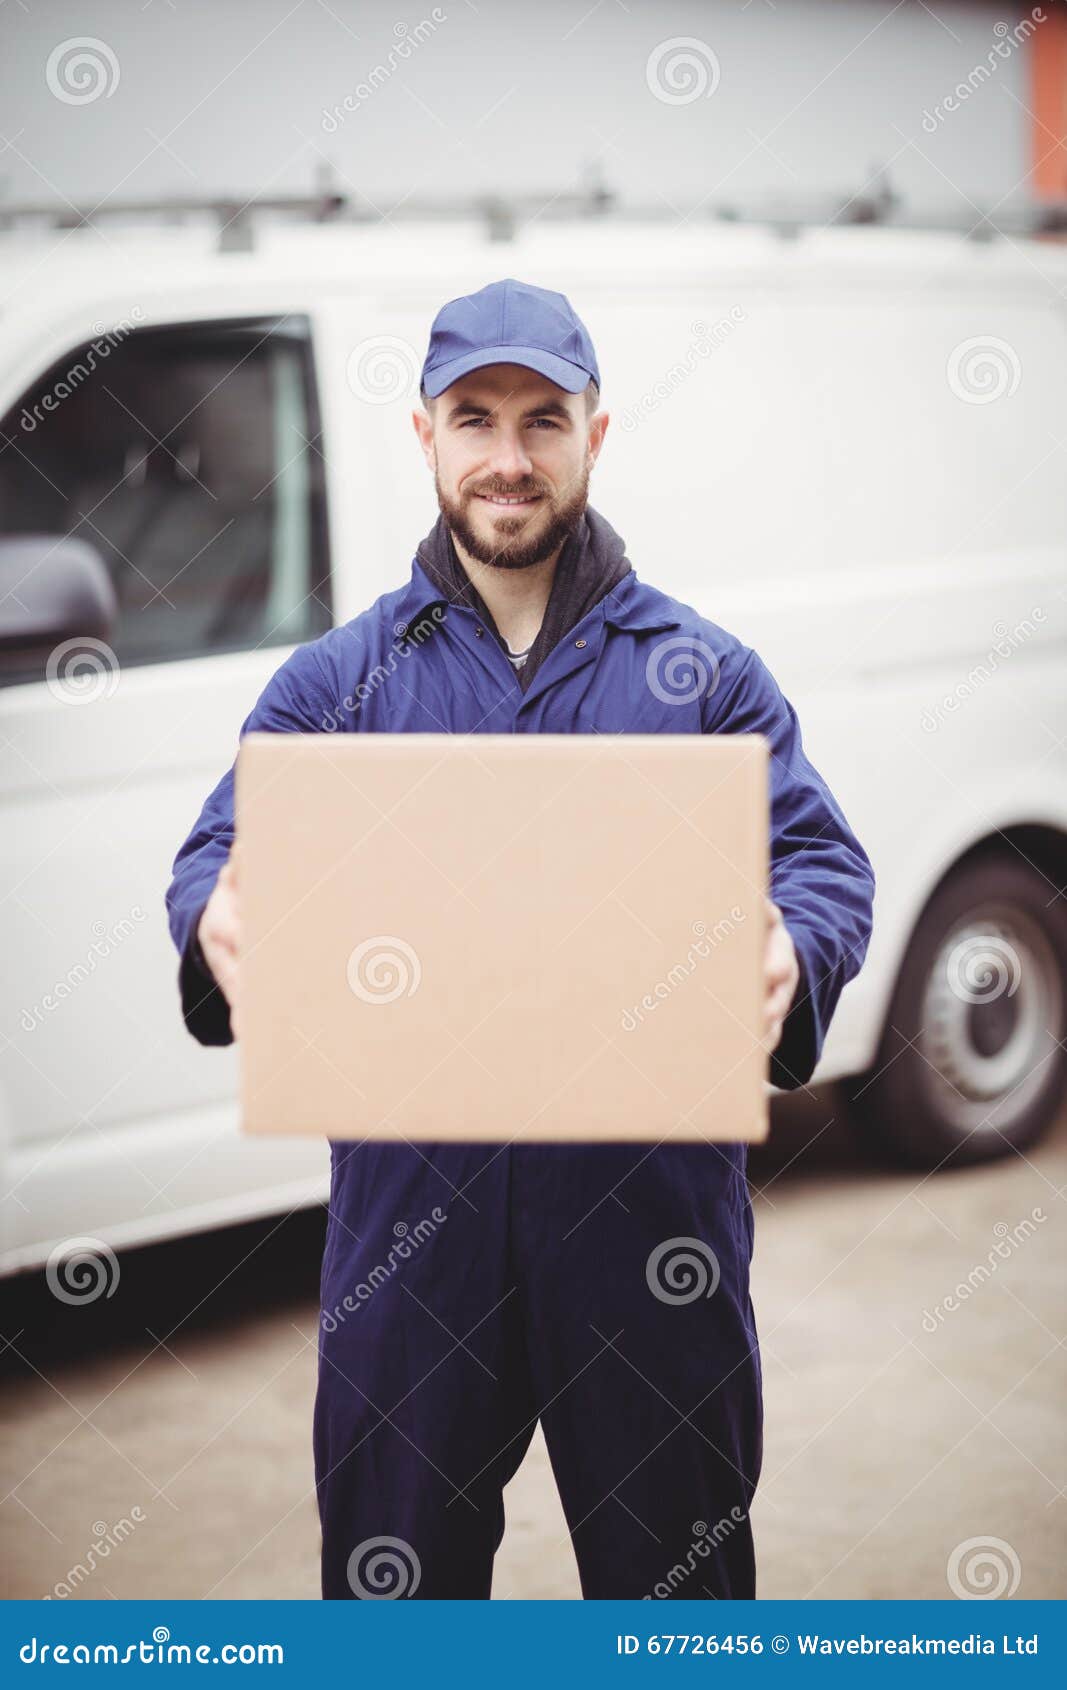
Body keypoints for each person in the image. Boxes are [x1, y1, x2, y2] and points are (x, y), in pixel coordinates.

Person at [165, 277, 875, 1600]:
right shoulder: (338, 684)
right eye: (474, 416)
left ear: (595, 437)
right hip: (409, 1238)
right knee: (401, 1609)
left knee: (678, 1606)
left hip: (650, 1232)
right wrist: (212, 908)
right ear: (423, 436)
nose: (507, 456)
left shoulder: (701, 675)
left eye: (541, 419)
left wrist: (796, 942)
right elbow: (222, 852)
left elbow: (821, 859)